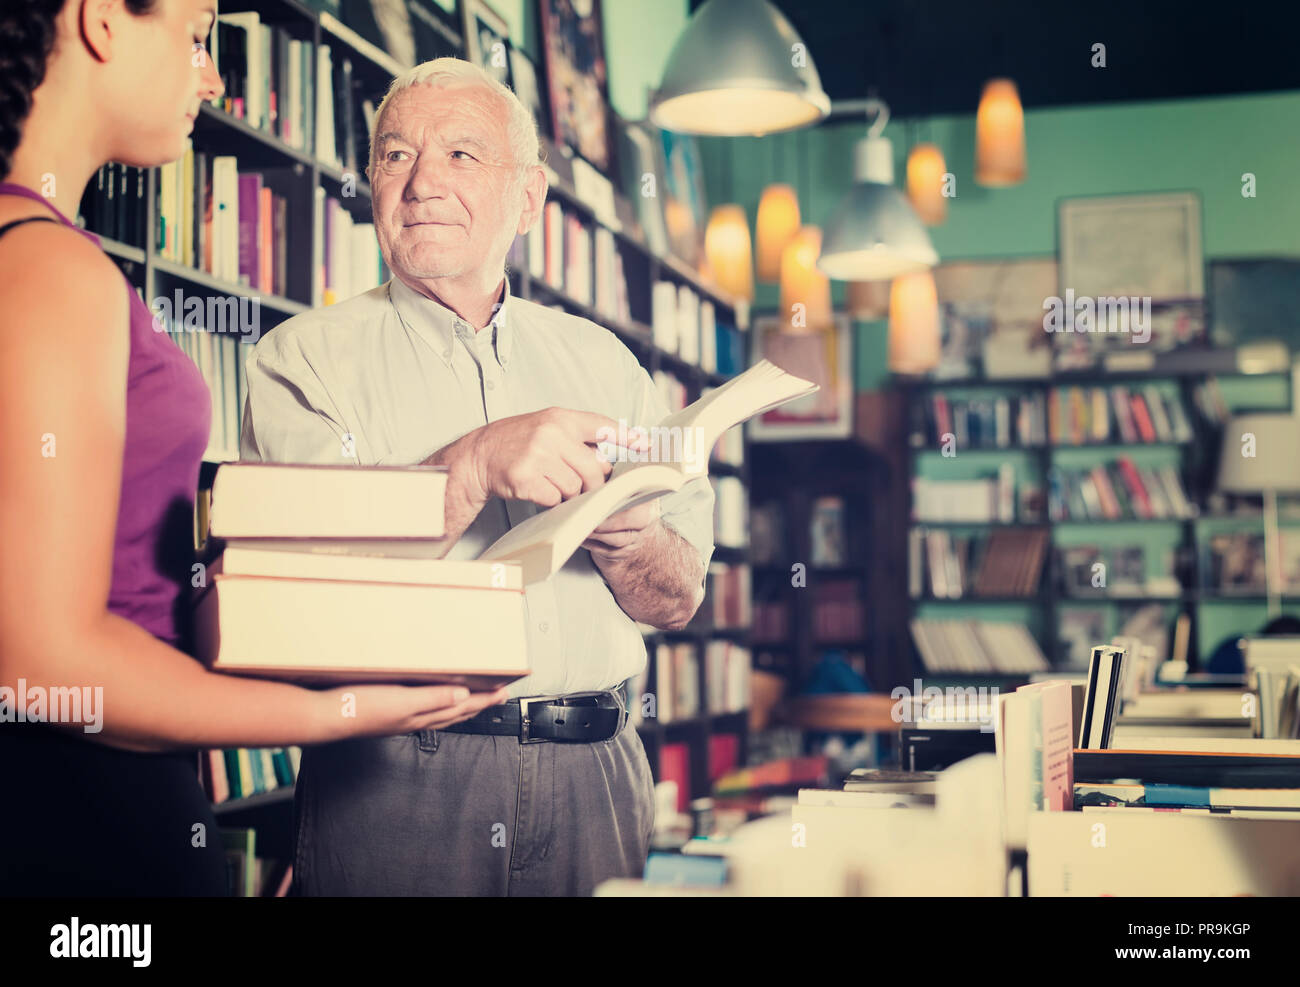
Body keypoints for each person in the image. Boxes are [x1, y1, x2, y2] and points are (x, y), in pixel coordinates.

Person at [0, 0, 504, 897]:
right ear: (101, 22)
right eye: (196, 35)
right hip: (82, 809)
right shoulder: (48, 268)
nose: (213, 77)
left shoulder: (39, 253)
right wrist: (340, 713)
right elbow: (45, 660)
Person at [241, 58, 715, 896]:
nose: (422, 182)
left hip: (600, 779)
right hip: (402, 783)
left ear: (528, 198)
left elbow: (677, 598)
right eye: (395, 155)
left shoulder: (607, 363)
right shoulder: (300, 362)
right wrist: (472, 463)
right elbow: (300, 604)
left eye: (461, 154)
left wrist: (626, 532)